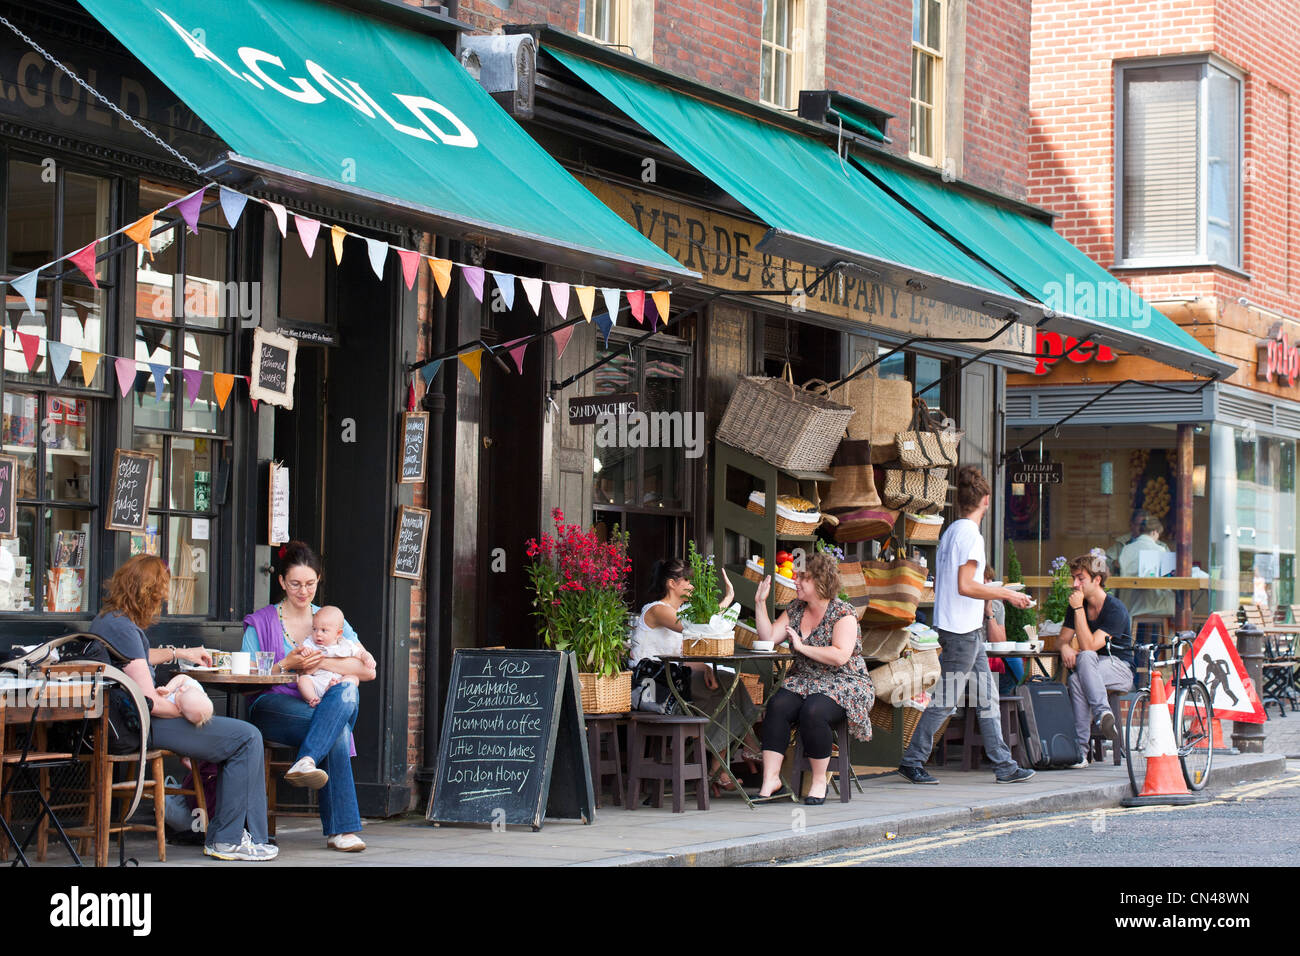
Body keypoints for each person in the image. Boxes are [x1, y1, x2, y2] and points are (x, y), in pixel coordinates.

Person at [87, 555, 276, 861]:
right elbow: (148, 702)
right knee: (247, 737)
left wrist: (180, 653)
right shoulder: (125, 629)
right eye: (160, 595)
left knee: (240, 737)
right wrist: (183, 704)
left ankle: (244, 834)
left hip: (120, 723)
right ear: (149, 593)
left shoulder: (109, 620)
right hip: (142, 726)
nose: (162, 602)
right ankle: (228, 839)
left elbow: (140, 658)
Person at [897, 466, 1036, 785]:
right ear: (985, 500)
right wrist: (1006, 594)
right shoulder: (971, 536)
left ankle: (1004, 765)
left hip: (960, 627)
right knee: (946, 700)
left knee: (987, 698)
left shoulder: (951, 532)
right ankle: (913, 758)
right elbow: (966, 585)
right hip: (961, 630)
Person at [241, 541, 375, 853]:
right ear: (281, 582)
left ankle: (307, 760)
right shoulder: (261, 622)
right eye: (295, 584)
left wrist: (321, 662)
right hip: (273, 704)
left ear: (318, 580)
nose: (303, 591)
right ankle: (341, 830)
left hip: (319, 702)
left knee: (348, 688)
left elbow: (367, 670)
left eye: (310, 584)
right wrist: (289, 664)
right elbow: (248, 678)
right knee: (337, 728)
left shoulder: (330, 619)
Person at [754, 552, 874, 805]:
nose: (795, 581)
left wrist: (801, 646)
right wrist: (760, 604)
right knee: (778, 705)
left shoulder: (843, 613)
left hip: (844, 681)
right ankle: (771, 778)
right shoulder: (796, 609)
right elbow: (768, 638)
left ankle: (819, 780)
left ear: (820, 582)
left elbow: (840, 656)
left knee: (813, 710)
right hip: (806, 679)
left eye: (802, 578)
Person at [629, 558, 758, 791]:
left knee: (723, 693)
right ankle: (751, 747)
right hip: (650, 689)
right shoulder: (657, 610)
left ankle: (720, 769)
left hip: (672, 682)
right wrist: (728, 599)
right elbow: (697, 625)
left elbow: (683, 653)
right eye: (687, 580)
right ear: (671, 583)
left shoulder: (682, 612)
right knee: (727, 683)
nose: (692, 586)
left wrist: (707, 667)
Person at [1059, 551, 1133, 767]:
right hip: (1091, 670)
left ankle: (1080, 751)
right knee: (1076, 678)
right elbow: (1062, 639)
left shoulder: (1114, 609)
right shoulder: (1075, 606)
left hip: (1119, 668)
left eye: (1080, 578)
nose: (1075, 584)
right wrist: (1064, 647)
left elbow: (1089, 645)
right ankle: (1102, 716)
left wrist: (1079, 609)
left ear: (1097, 579)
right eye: (1073, 578)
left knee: (1085, 658)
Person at [296, 605, 375, 708]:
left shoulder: (346, 644)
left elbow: (361, 653)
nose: (318, 634)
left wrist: (368, 658)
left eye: (324, 630)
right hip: (317, 682)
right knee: (303, 680)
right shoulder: (311, 643)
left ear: (338, 633)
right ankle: (314, 699)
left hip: (338, 682)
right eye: (315, 629)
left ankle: (335, 691)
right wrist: (305, 651)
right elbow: (301, 654)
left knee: (353, 679)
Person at [1118, 515, 1174, 636]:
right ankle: (1168, 645)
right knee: (1177, 605)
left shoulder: (1126, 549)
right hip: (1153, 603)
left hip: (1129, 602)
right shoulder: (1160, 549)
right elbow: (1169, 579)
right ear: (1155, 532)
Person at [983, 566, 1023, 694]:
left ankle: (1019, 698)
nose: (988, 584)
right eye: (984, 580)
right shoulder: (963, 605)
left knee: (1014, 660)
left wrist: (989, 611)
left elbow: (1000, 642)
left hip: (990, 655)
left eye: (990, 580)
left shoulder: (997, 605)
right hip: (972, 657)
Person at [1105, 508, 1149, 578]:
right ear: (1132, 525)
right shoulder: (1122, 543)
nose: (1142, 528)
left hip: (1151, 586)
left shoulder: (1160, 546)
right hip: (1126, 585)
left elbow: (1169, 572)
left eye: (1144, 525)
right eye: (1139, 525)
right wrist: (1114, 563)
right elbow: (1105, 560)